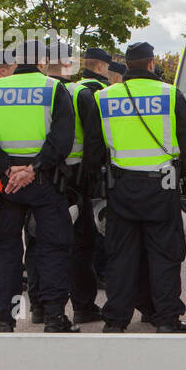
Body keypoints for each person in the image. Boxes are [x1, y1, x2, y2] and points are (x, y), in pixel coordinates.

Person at [83, 41, 186, 333]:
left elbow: (94, 148)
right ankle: (165, 318)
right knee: (165, 255)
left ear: (125, 65)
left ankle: (116, 319)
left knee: (122, 256)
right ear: (151, 64)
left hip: (121, 187)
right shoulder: (169, 94)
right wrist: (178, 172)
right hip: (161, 186)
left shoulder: (105, 97)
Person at [0, 39, 77, 333]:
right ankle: (54, 318)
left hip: (5, 185)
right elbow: (63, 140)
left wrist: (7, 168)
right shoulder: (54, 89)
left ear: (15, 61)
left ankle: (4, 319)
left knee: (5, 252)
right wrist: (33, 168)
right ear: (42, 60)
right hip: (43, 183)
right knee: (52, 249)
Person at [65, 47, 116, 324]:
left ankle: (45, 305)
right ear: (102, 66)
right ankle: (85, 304)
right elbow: (97, 138)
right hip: (85, 176)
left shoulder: (69, 89)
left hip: (57, 173)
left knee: (50, 242)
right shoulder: (95, 92)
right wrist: (93, 173)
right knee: (87, 240)